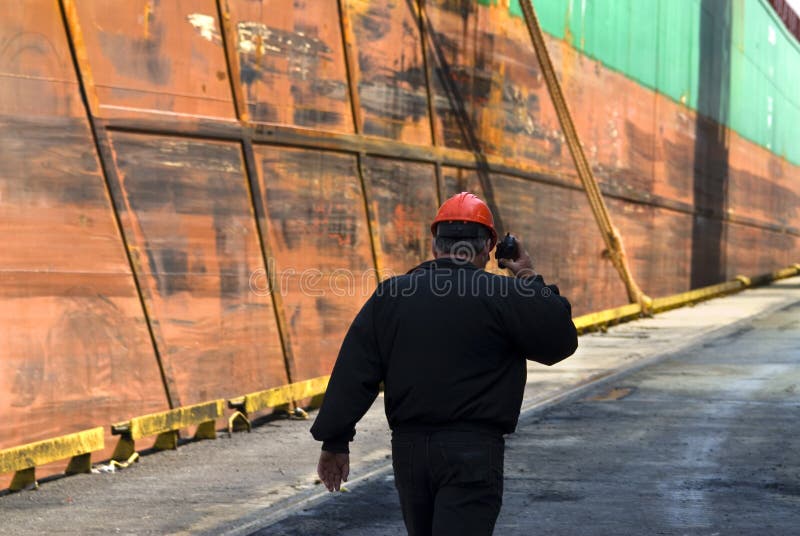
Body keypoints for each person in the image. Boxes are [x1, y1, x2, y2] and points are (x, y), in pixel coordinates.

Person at [310, 192, 578, 535]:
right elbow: (560, 340)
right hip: (472, 451)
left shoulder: (392, 295)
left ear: (435, 245)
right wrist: (526, 274)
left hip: (409, 452)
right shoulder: (504, 294)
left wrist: (335, 441)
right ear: (488, 248)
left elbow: (354, 371)